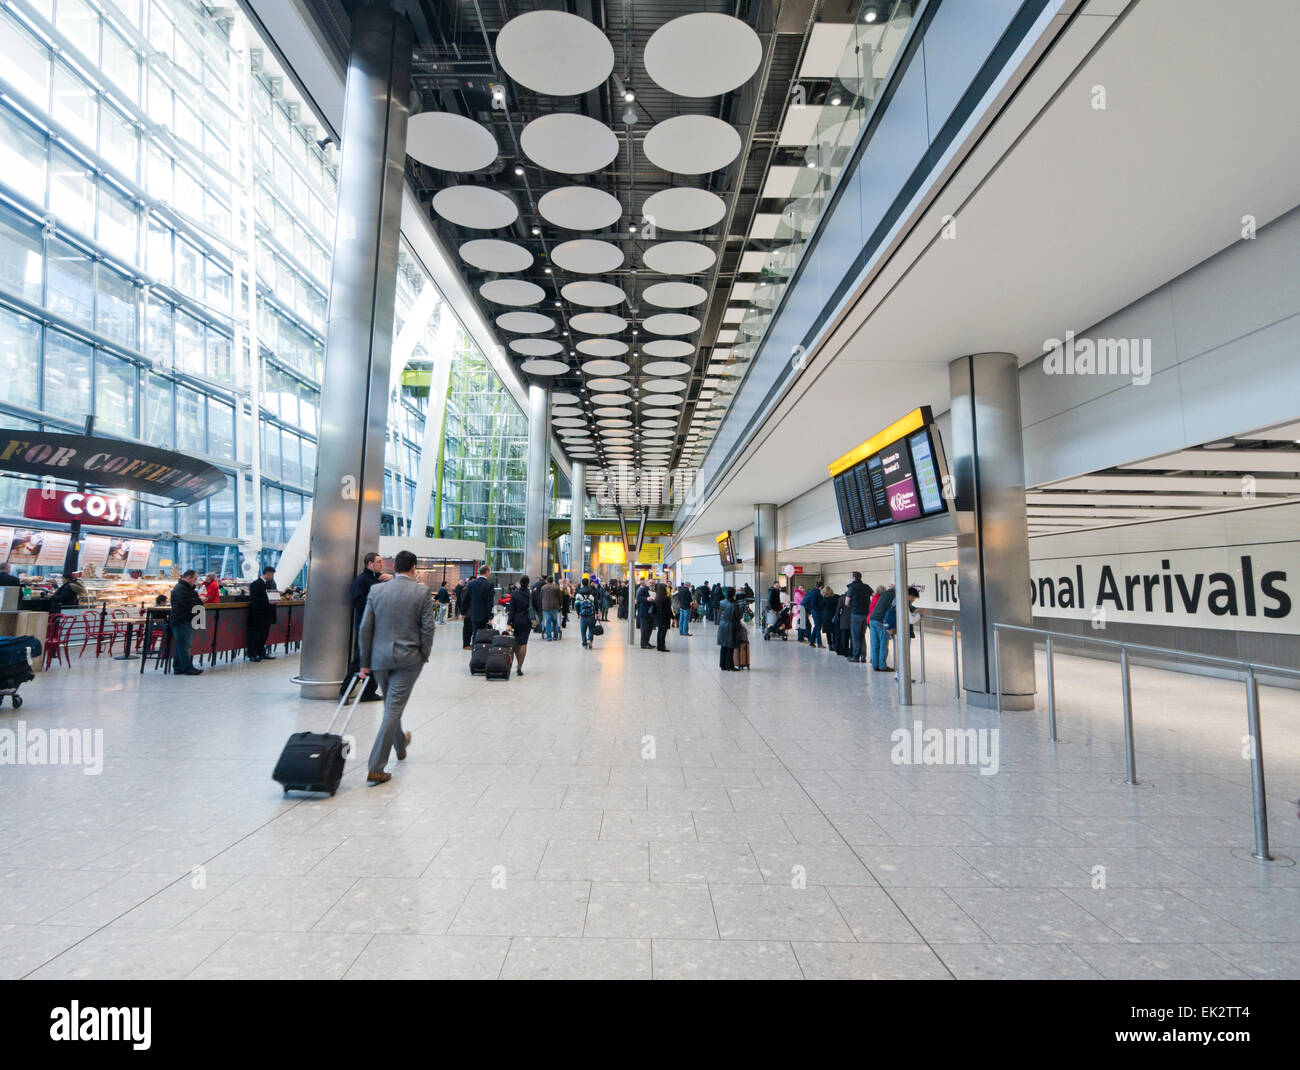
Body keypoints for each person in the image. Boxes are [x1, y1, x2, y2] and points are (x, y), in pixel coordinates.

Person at [358, 549, 436, 785]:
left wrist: (365, 662)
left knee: (391, 704)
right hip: (408, 659)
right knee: (393, 708)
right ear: (413, 568)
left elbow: (365, 628)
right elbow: (428, 628)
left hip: (380, 658)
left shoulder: (377, 590)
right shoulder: (421, 592)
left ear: (394, 566)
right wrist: (423, 654)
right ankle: (376, 766)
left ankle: (400, 744)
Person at [346, 553, 388, 698]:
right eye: (379, 562)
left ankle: (368, 692)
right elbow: (356, 602)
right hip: (365, 627)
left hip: (378, 627)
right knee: (359, 660)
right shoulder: (361, 580)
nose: (381, 564)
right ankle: (344, 693)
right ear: (370, 563)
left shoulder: (379, 579)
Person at [169, 569, 204, 676]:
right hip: (182, 619)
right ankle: (187, 668)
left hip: (181, 619)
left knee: (181, 644)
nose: (196, 581)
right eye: (195, 579)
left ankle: (178, 667)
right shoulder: (181, 589)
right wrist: (199, 601)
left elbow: (192, 601)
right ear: (188, 578)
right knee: (185, 645)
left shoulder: (184, 588)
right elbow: (188, 604)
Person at [246, 565, 277, 662]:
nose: (272, 576)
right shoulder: (255, 584)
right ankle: (252, 654)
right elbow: (254, 599)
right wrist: (268, 601)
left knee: (264, 634)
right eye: (271, 574)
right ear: (267, 573)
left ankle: (261, 652)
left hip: (267, 614)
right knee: (255, 635)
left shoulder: (270, 584)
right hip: (258, 614)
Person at [463, 564, 494, 648]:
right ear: (487, 572)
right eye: (490, 572)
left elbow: (466, 599)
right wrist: (490, 617)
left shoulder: (471, 584)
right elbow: (489, 602)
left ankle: (474, 653)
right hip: (484, 615)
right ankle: (481, 653)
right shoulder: (489, 584)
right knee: (483, 635)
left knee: (475, 634)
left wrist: (463, 612)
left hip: (474, 614)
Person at [508, 574, 532, 676]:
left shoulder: (514, 593)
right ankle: (520, 666)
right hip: (527, 621)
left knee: (517, 643)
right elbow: (535, 607)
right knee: (523, 643)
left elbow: (511, 609)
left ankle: (517, 664)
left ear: (519, 583)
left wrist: (509, 623)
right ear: (528, 583)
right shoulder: (531, 594)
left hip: (516, 621)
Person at [869, 584, 897, 671]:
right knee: (883, 644)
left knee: (874, 644)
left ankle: (875, 665)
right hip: (881, 621)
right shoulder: (894, 596)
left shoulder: (884, 594)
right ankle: (882, 666)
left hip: (872, 620)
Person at [846, 571, 872, 664]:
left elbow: (846, 602)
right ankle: (863, 657)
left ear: (853, 577)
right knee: (862, 635)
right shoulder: (867, 587)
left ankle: (856, 656)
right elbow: (873, 595)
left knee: (855, 636)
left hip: (856, 614)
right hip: (866, 613)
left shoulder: (852, 587)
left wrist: (853, 607)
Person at [716, 586, 739, 671]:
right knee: (730, 646)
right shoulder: (734, 604)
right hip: (731, 625)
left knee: (723, 645)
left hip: (722, 625)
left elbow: (719, 615)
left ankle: (723, 665)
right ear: (733, 594)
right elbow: (738, 616)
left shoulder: (722, 602)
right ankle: (730, 665)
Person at [574, 579, 597, 648]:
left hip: (583, 614)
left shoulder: (579, 592)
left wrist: (578, 613)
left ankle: (584, 643)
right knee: (591, 628)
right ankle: (590, 639)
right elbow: (596, 603)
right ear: (588, 583)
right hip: (591, 614)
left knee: (583, 629)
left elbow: (577, 604)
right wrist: (597, 612)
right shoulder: (592, 592)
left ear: (582, 583)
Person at [541, 576, 562, 640]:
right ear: (553, 581)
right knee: (555, 621)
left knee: (548, 621)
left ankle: (549, 637)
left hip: (546, 607)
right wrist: (561, 604)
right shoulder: (556, 587)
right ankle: (555, 636)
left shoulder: (543, 588)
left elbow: (541, 596)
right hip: (555, 607)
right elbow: (560, 597)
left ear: (547, 581)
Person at [653, 582, 672, 651]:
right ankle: (662, 647)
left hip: (658, 617)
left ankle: (659, 646)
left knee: (659, 631)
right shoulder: (666, 598)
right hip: (665, 617)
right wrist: (673, 617)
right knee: (663, 633)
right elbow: (668, 609)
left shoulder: (656, 598)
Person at [803, 583, 823, 648]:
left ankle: (812, 641)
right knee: (818, 627)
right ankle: (819, 643)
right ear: (821, 587)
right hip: (817, 611)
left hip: (813, 610)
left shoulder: (812, 592)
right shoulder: (818, 593)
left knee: (816, 626)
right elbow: (819, 603)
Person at [637, 581, 653, 648]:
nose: (651, 584)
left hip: (651, 612)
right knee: (644, 629)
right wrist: (647, 599)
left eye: (653, 583)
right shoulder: (644, 589)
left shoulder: (654, 590)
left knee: (649, 628)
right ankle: (643, 644)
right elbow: (639, 598)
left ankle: (647, 642)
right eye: (650, 582)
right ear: (647, 583)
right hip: (644, 612)